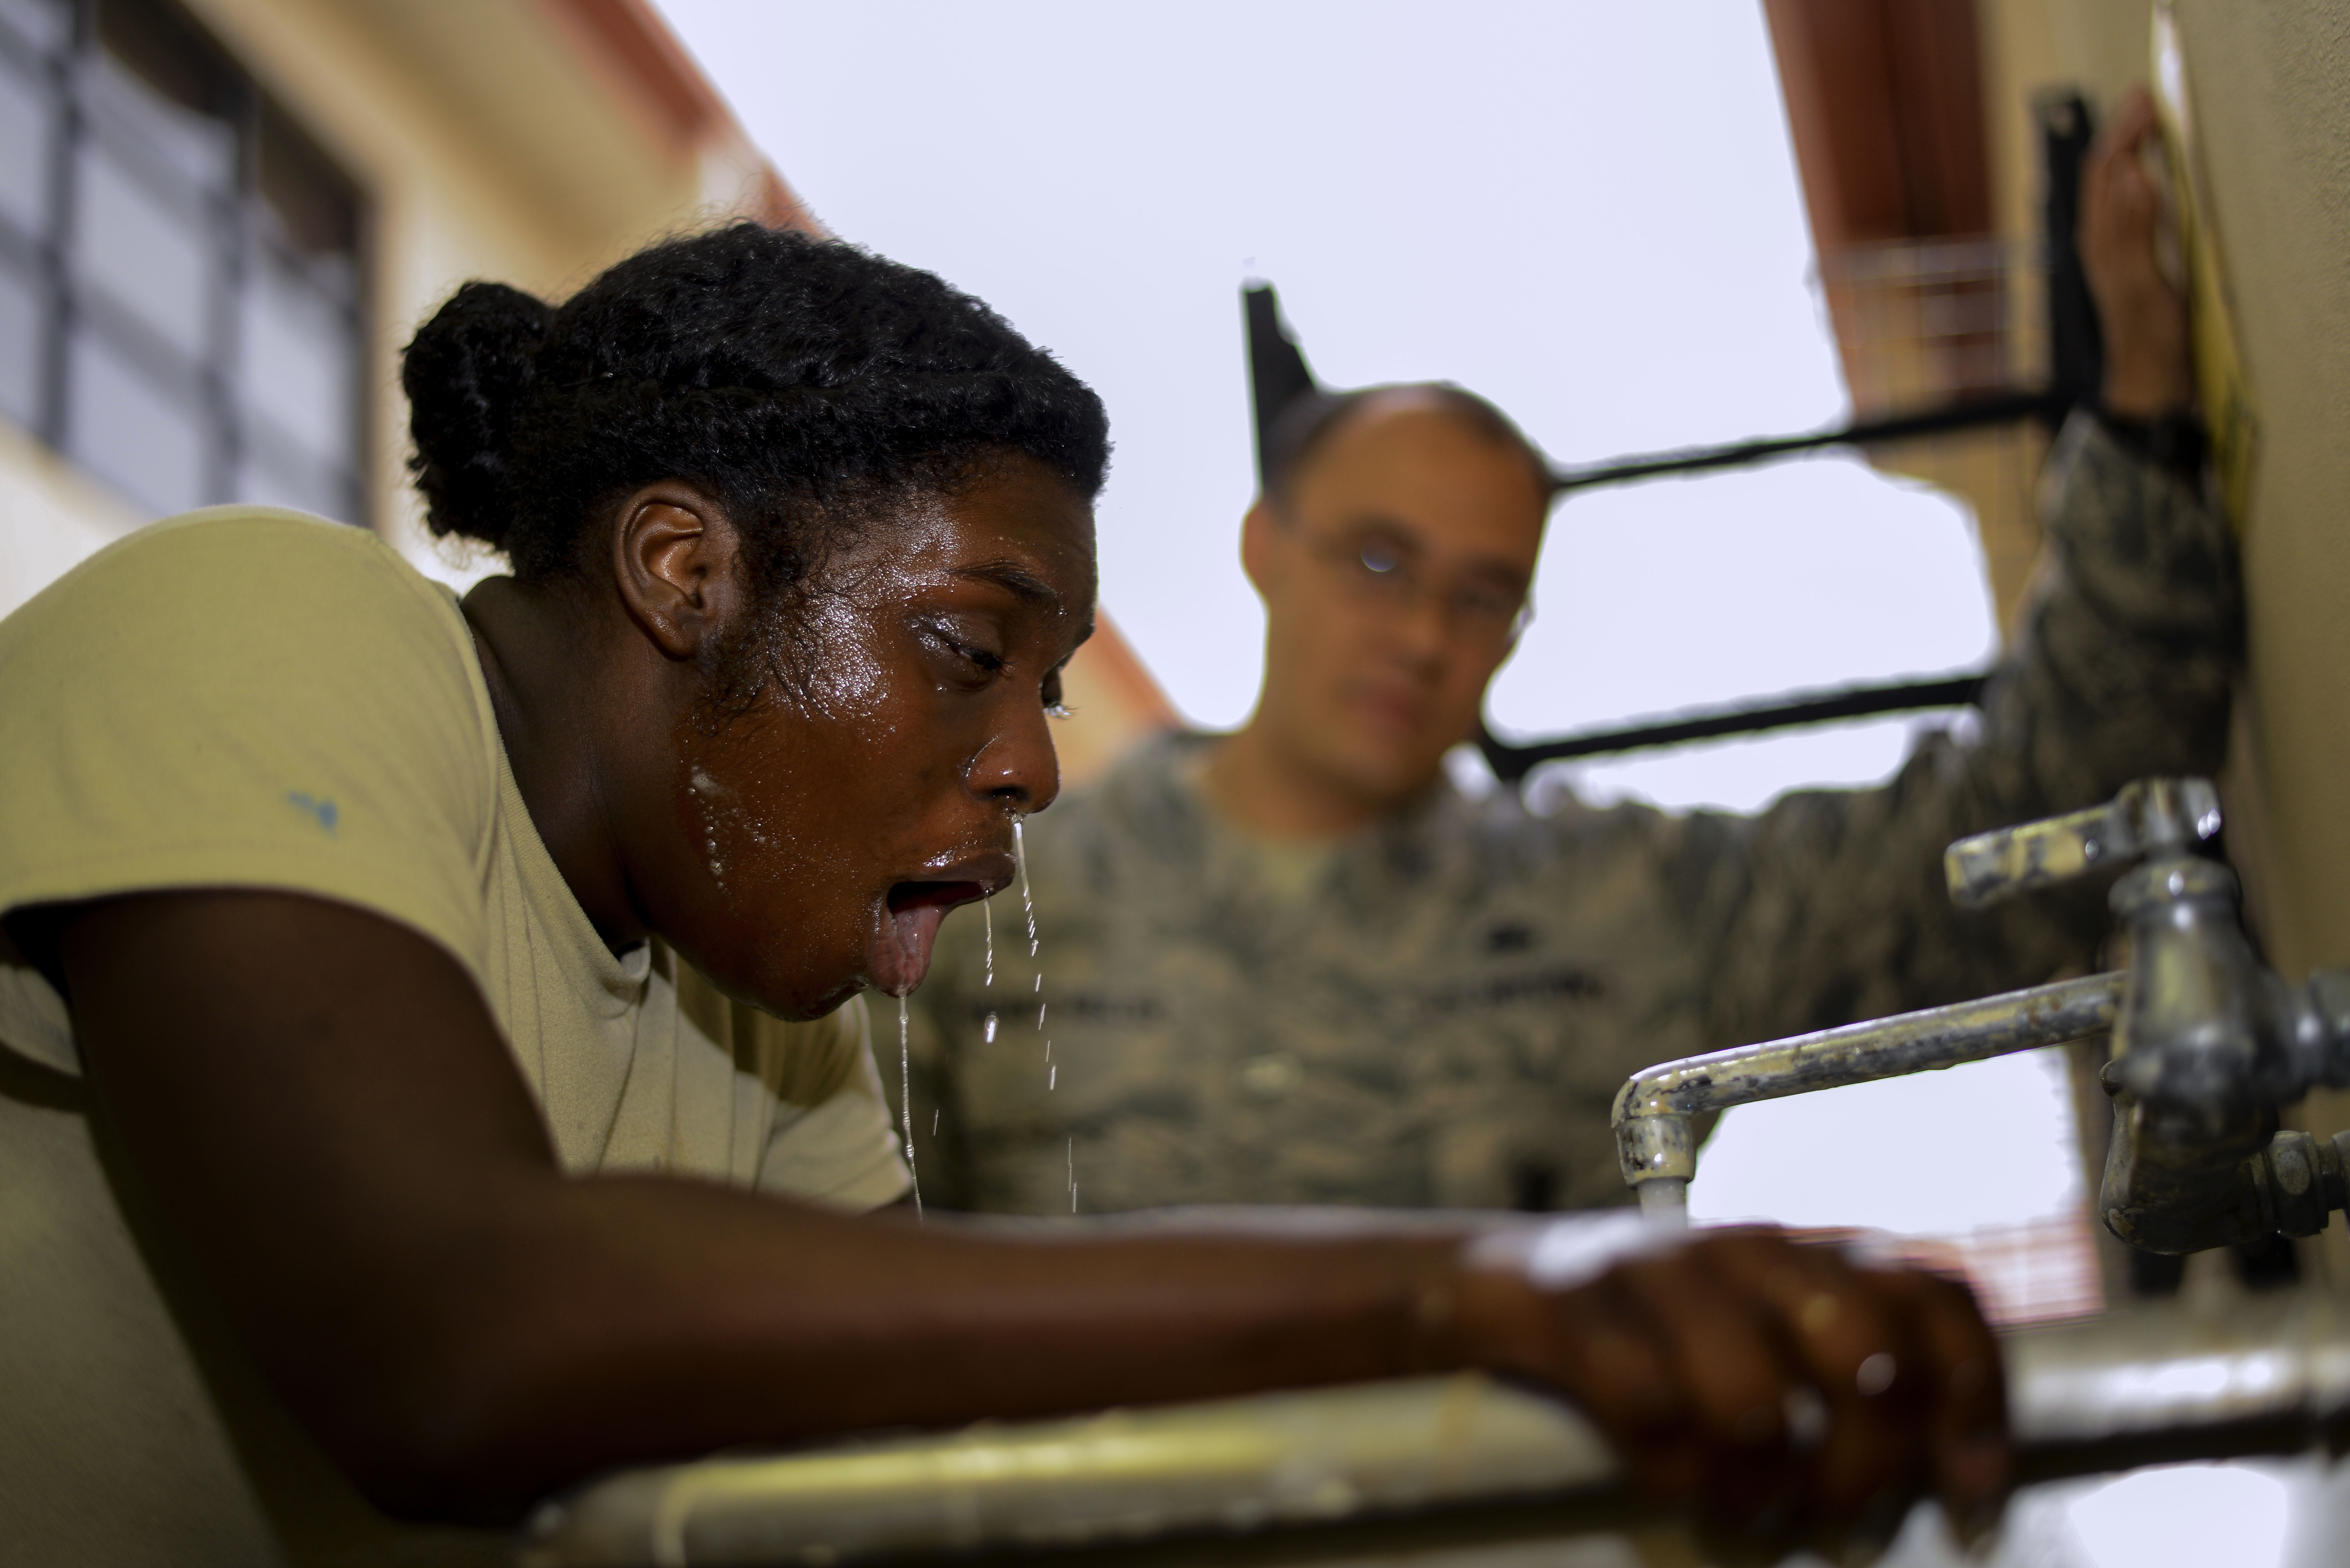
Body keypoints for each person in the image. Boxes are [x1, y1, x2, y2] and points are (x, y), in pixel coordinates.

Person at [0, 222, 2003, 1565]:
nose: (1037, 761)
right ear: (684, 575)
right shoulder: (271, 622)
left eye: (1049, 690)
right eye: (972, 649)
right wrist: (1474, 1285)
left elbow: (947, 1489)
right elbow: (442, 1340)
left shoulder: (767, 1050)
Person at [904, 88, 2237, 1216]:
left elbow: (2021, 833)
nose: (1425, 633)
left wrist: (2137, 426)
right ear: (1264, 545)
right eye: (1379, 560)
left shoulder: (1619, 907)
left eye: (1484, 597)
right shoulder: (990, 904)